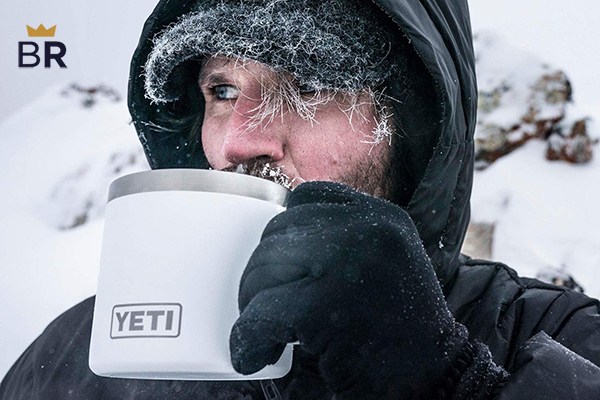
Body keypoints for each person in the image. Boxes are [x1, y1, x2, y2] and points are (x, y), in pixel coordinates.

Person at [1, 0, 600, 398]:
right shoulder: (85, 351)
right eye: (223, 90)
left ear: (415, 131)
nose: (236, 142)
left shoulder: (553, 335)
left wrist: (448, 381)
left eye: (309, 85)